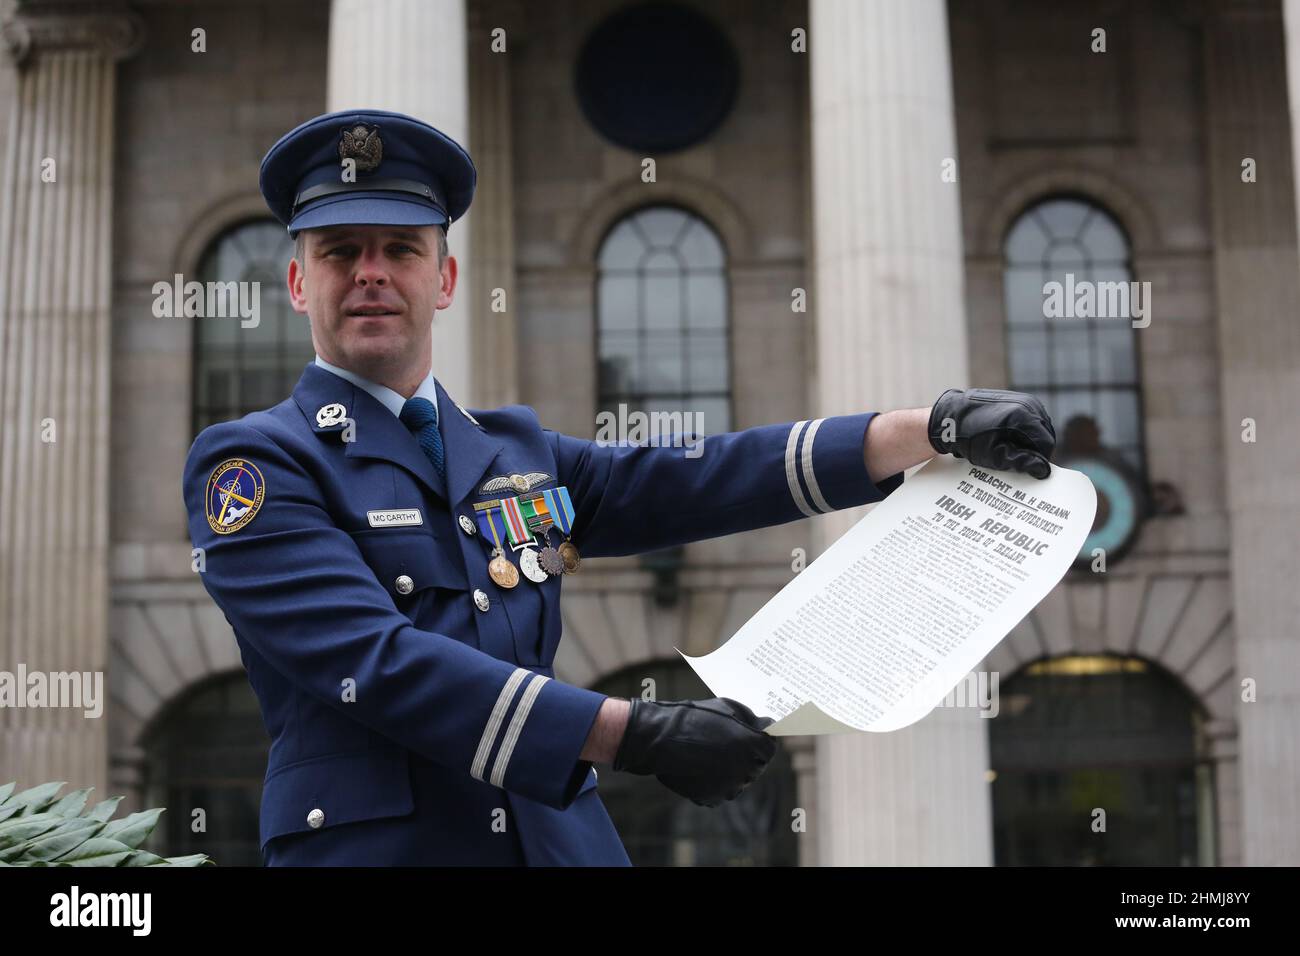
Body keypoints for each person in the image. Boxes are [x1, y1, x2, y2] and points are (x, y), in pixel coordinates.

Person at [182, 108, 1057, 866]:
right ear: (300, 283)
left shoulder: (508, 449)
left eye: (401, 250)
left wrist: (924, 429)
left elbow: (691, 477)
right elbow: (374, 664)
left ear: (443, 280)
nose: (371, 272)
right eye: (341, 252)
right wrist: (629, 733)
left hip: (559, 845)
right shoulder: (254, 468)